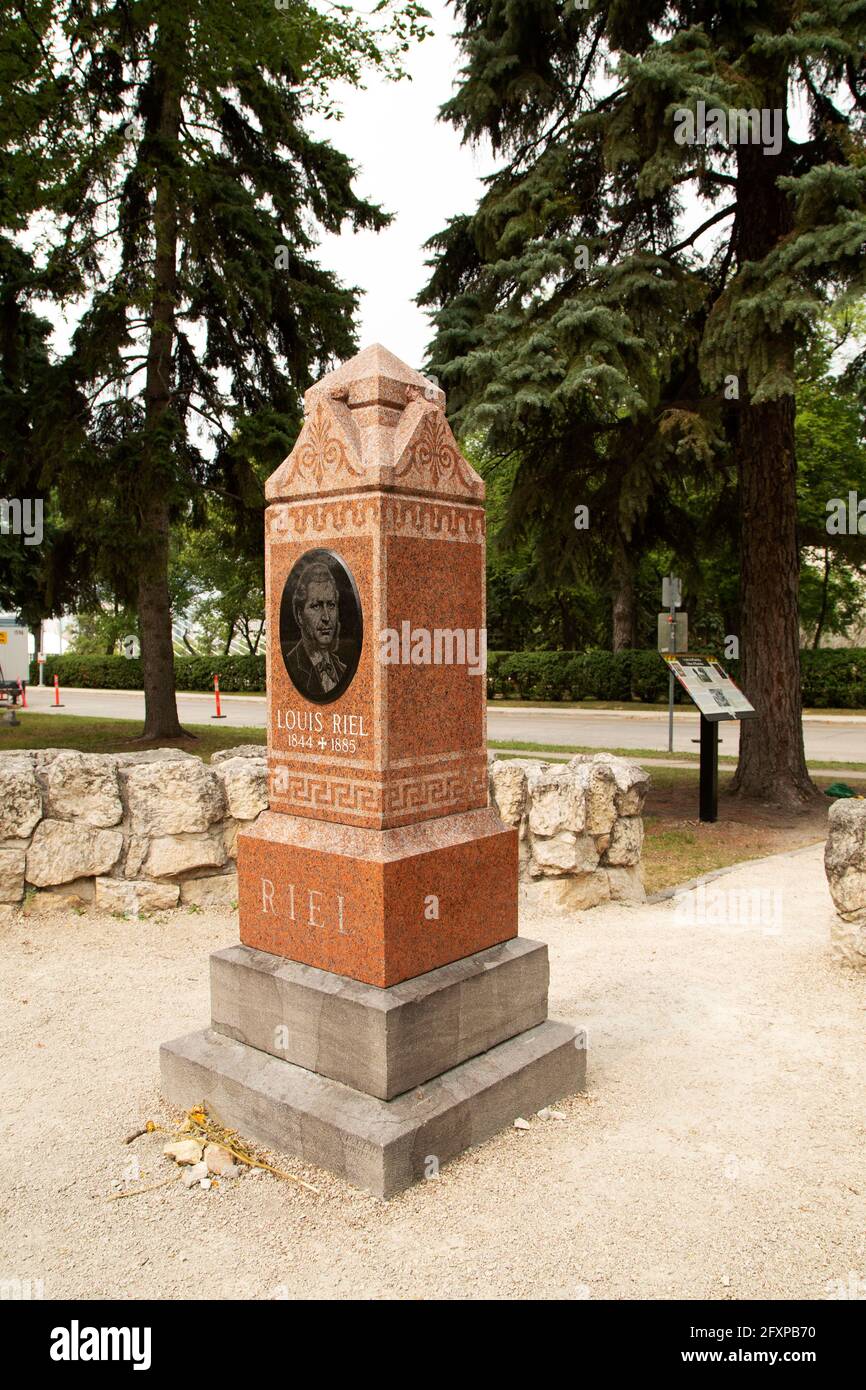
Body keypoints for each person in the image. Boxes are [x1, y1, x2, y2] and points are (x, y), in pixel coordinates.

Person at [282, 558, 357, 701]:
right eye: (316, 606)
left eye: (331, 605)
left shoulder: (341, 669)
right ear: (299, 615)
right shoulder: (293, 664)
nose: (326, 617)